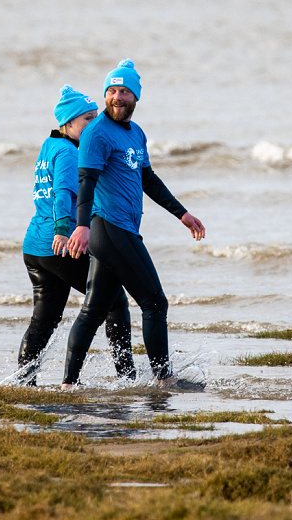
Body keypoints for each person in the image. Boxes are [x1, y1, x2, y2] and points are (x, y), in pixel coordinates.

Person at [62, 59, 205, 388]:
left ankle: (68, 383)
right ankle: (163, 379)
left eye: (124, 91)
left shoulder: (136, 133)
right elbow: (86, 181)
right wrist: (81, 226)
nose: (117, 97)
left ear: (135, 97)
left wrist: (182, 214)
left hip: (117, 231)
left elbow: (148, 179)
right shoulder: (97, 132)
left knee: (94, 310)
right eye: (111, 91)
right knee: (155, 302)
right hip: (110, 228)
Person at [17, 85, 135, 386]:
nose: (94, 124)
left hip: (35, 247)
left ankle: (24, 381)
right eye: (87, 119)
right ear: (68, 122)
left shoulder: (49, 145)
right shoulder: (69, 152)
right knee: (114, 301)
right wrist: (61, 231)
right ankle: (127, 377)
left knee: (45, 319)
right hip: (61, 244)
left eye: (96, 117)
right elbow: (62, 193)